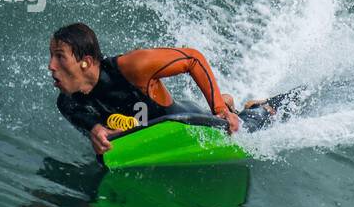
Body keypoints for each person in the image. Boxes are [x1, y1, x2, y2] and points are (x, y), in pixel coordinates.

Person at [49, 22, 303, 156]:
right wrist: (96, 130)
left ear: (87, 62)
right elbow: (90, 124)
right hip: (151, 135)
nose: (51, 66)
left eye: (60, 57)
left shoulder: (131, 67)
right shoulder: (68, 103)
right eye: (51, 57)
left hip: (189, 121)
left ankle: (261, 107)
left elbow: (192, 59)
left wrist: (218, 111)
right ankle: (225, 101)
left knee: (250, 126)